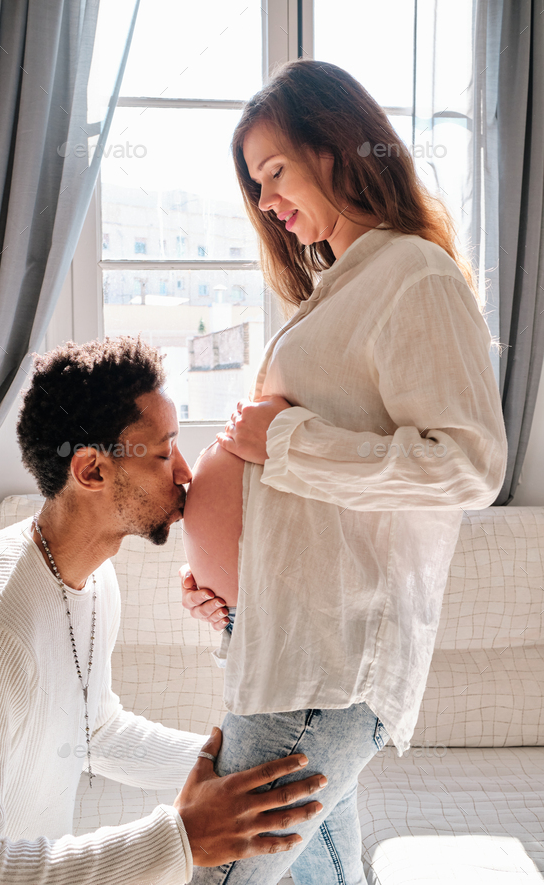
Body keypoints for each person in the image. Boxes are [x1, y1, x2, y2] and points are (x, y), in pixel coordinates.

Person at [180, 59, 508, 884]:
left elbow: (469, 467)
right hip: (286, 645)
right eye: (255, 184)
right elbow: (306, 505)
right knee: (325, 875)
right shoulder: (340, 286)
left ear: (334, 147)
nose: (264, 201)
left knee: (219, 871)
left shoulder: (412, 275)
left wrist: (285, 440)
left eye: (275, 170)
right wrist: (234, 586)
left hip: (326, 666)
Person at [0, 336, 329, 885]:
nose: (184, 472)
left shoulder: (95, 578)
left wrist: (242, 772)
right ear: (90, 471)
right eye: (162, 452)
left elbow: (96, 732)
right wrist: (180, 839)